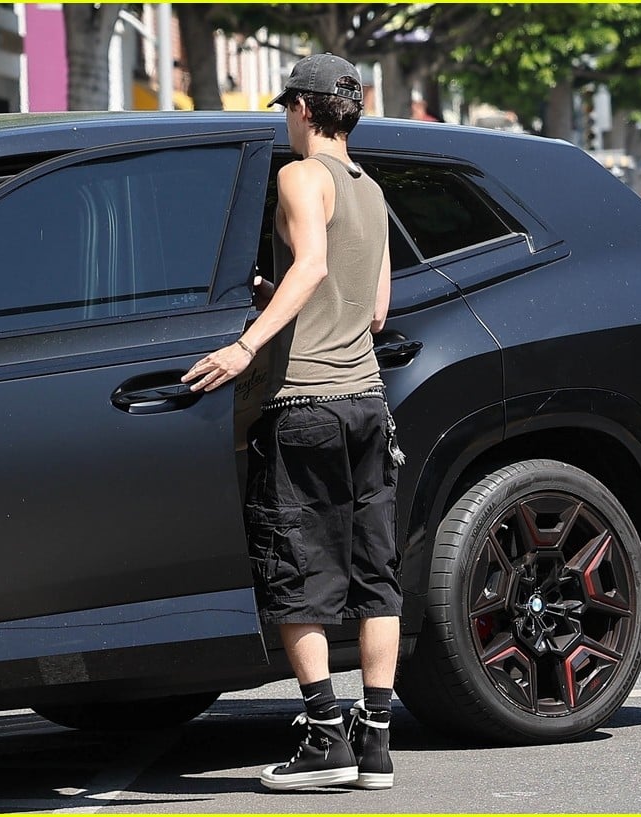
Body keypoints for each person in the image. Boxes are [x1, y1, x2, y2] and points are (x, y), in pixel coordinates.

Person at [181, 53, 403, 792]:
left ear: (304, 109)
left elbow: (312, 266)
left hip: (303, 404)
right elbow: (375, 310)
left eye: (287, 109)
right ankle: (376, 743)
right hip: (368, 405)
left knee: (296, 573)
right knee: (376, 577)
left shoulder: (301, 175)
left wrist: (247, 345)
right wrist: (277, 291)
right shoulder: (371, 190)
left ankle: (324, 737)